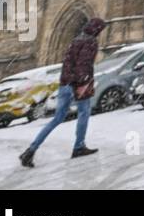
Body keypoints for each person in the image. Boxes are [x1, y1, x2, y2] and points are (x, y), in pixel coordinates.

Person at [19, 17, 106, 167]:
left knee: (57, 119)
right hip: (79, 83)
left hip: (64, 83)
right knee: (84, 113)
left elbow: (68, 63)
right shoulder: (90, 41)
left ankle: (31, 150)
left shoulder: (76, 40)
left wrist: (68, 81)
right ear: (96, 29)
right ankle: (79, 146)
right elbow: (83, 64)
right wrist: (83, 82)